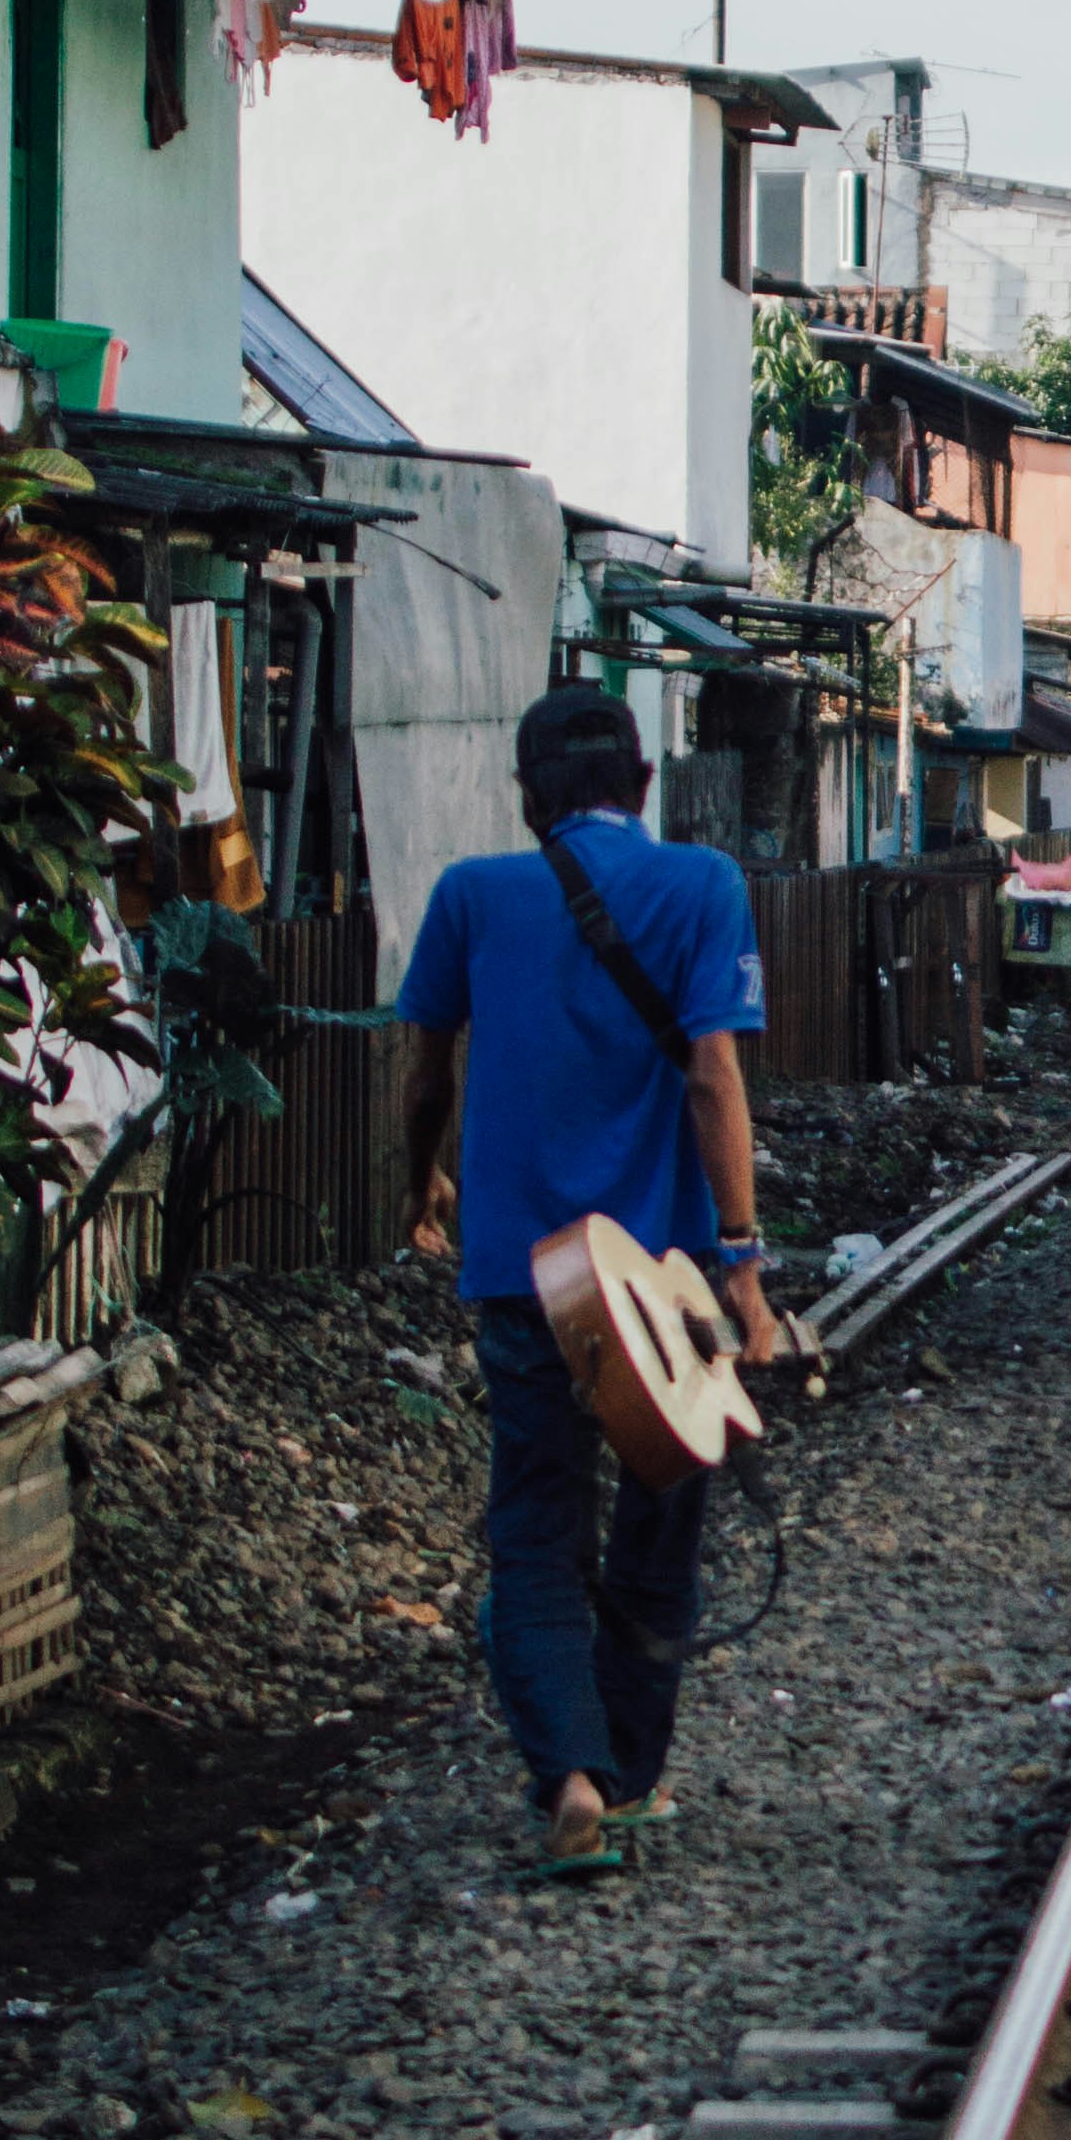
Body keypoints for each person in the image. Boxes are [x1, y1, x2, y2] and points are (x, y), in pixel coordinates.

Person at [397, 686, 786, 1887]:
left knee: (534, 1528)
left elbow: (424, 1065)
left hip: (526, 1278)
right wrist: (745, 1268)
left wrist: (421, 1184)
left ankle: (564, 1774)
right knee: (657, 1521)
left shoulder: (471, 894)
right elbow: (713, 1079)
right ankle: (627, 1772)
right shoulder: (702, 883)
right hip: (659, 1279)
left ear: (526, 796)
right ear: (646, 784)